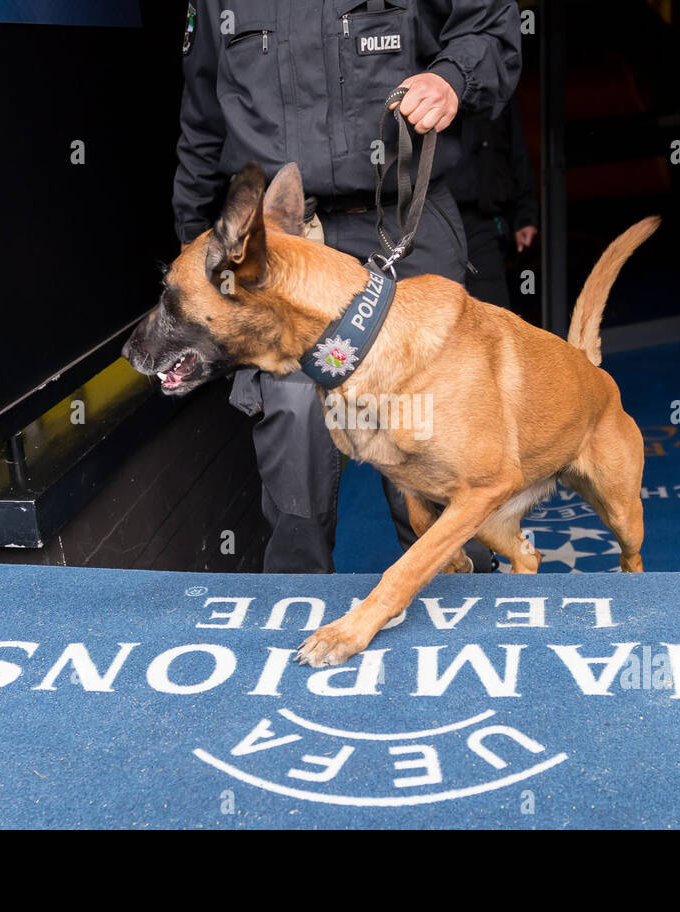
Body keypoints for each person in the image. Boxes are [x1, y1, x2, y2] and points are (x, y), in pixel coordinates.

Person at [174, 0, 522, 574]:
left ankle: (467, 614)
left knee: (435, 433)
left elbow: (488, 23)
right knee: (294, 427)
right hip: (281, 244)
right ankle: (297, 610)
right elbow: (202, 123)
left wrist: (451, 77)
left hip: (400, 226)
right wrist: (196, 256)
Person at [446, 94, 540, 311]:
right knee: (440, 307)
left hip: (484, 216)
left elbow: (516, 149)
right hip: (433, 216)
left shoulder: (497, 83)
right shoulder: (421, 74)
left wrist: (525, 214)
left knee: (492, 308)